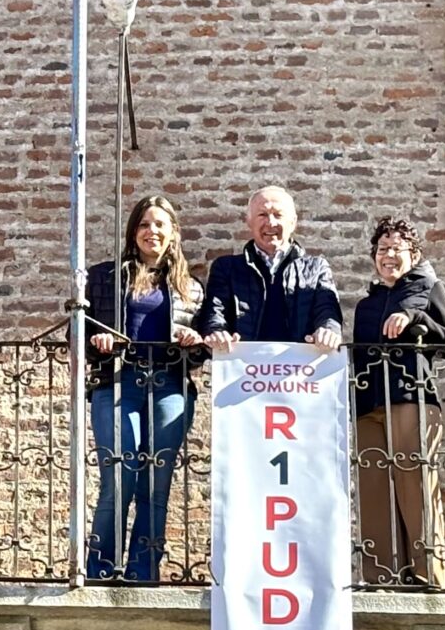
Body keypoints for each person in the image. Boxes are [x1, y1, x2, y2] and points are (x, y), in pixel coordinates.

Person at [83, 195, 206, 580]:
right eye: (143, 224)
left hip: (170, 386)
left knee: (156, 484)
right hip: (118, 383)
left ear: (173, 233)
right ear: (133, 232)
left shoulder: (191, 287)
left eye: (159, 225)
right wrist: (97, 342)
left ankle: (142, 571)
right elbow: (83, 330)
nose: (151, 231)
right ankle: (100, 569)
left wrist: (194, 340)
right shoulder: (105, 277)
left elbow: (201, 356)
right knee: (119, 474)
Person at [350, 215, 445, 587]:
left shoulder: (429, 288)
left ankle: (429, 576)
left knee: (415, 486)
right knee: (374, 489)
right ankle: (381, 577)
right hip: (368, 405)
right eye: (382, 250)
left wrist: (417, 320)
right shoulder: (367, 305)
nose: (388, 256)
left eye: (396, 249)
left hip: (411, 397)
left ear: (413, 253)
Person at [198, 185, 343, 353]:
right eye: (262, 215)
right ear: (249, 221)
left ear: (293, 222)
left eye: (278, 215)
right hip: (244, 371)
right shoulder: (226, 268)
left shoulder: (316, 268)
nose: (271, 223)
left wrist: (327, 330)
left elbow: (327, 309)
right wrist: (217, 332)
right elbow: (215, 310)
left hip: (301, 371)